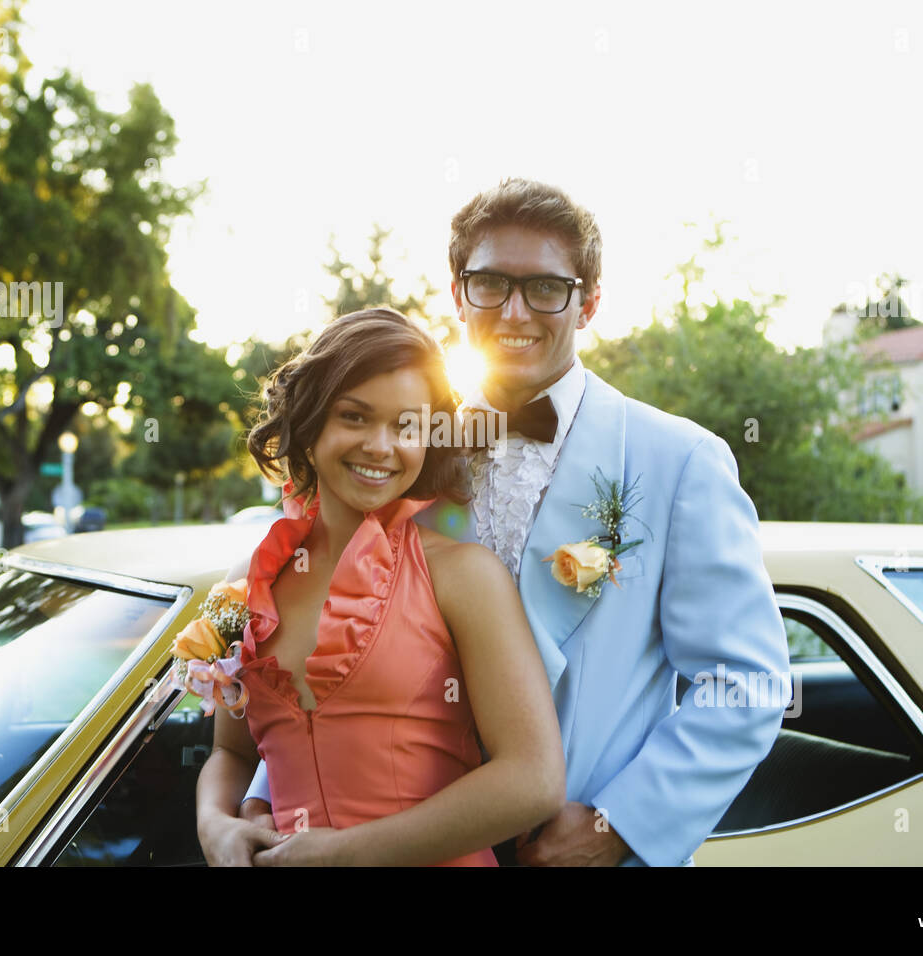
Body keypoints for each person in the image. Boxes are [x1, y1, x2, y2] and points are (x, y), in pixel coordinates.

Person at [241, 179, 791, 866]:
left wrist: (616, 827)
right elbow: (330, 642)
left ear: (588, 303)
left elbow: (748, 683)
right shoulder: (410, 448)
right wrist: (267, 791)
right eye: (491, 283)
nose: (514, 311)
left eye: (545, 288)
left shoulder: (679, 462)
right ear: (458, 294)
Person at [195, 308, 566, 866]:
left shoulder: (463, 576)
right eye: (355, 416)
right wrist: (215, 825)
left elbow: (533, 779)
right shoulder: (247, 583)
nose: (380, 445)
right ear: (311, 419)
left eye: (407, 425)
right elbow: (231, 750)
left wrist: (347, 853)